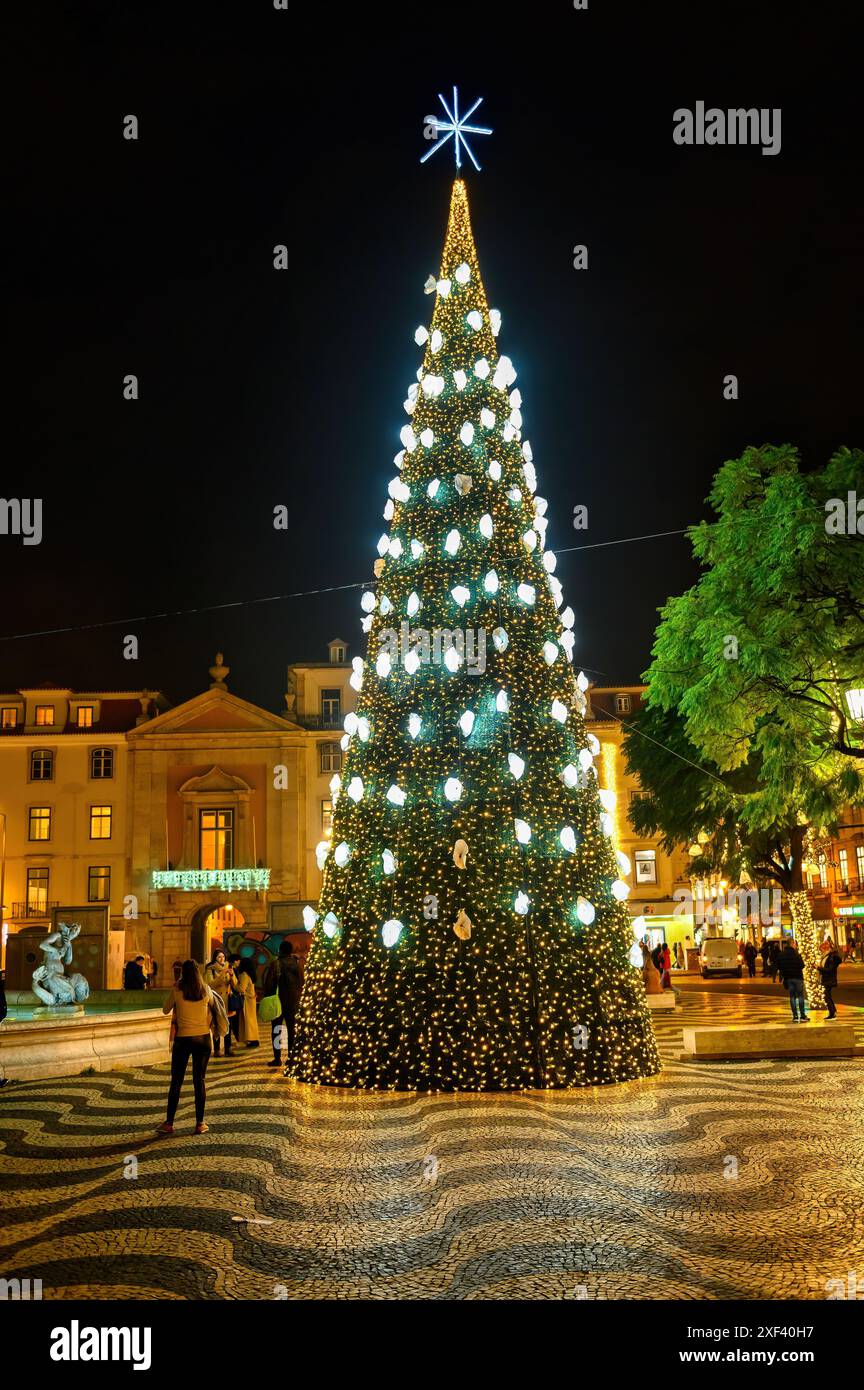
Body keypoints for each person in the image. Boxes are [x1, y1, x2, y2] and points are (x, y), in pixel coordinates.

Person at [159, 960, 219, 1135]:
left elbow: (165, 1009)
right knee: (199, 1080)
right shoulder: (205, 989)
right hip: (203, 1039)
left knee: (176, 1081)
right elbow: (215, 1008)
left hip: (183, 1039)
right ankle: (200, 1123)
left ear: (183, 973)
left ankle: (169, 1123)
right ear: (198, 972)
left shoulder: (178, 989)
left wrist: (175, 990)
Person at [262, 939, 303, 1068]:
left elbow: (268, 983)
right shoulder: (297, 965)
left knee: (276, 1030)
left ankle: (277, 1059)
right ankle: (291, 1058)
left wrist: (268, 996)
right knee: (292, 1030)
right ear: (291, 951)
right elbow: (302, 982)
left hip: (278, 1002)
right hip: (293, 1002)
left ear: (280, 950)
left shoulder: (276, 964)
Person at [204, 949, 237, 1057]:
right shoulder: (210, 969)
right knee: (217, 1024)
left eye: (223, 957)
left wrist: (232, 976)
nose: (222, 959)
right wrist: (222, 974)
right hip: (217, 1001)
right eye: (219, 957)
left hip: (227, 1001)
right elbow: (210, 984)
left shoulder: (229, 968)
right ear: (215, 958)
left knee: (228, 1024)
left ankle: (228, 1048)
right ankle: (217, 1049)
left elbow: (235, 984)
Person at [778, 939, 808, 1022]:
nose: (796, 945)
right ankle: (802, 1015)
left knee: (792, 997)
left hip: (788, 978)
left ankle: (795, 1016)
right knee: (800, 996)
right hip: (797, 977)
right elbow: (802, 965)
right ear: (792, 944)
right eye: (795, 944)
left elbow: (779, 965)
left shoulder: (782, 954)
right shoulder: (796, 954)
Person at [235, 959, 260, 1047]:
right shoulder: (251, 974)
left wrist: (234, 983)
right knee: (252, 1020)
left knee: (248, 1020)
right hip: (251, 999)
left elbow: (241, 989)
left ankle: (253, 1040)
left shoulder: (244, 975)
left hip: (247, 1000)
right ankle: (254, 1039)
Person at [818, 943, 843, 1020]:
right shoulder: (826, 957)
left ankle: (832, 1013)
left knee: (826, 996)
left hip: (829, 979)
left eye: (821, 949)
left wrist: (818, 968)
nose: (820, 951)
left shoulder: (831, 957)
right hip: (826, 979)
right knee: (827, 996)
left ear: (825, 949)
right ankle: (833, 1012)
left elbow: (829, 970)